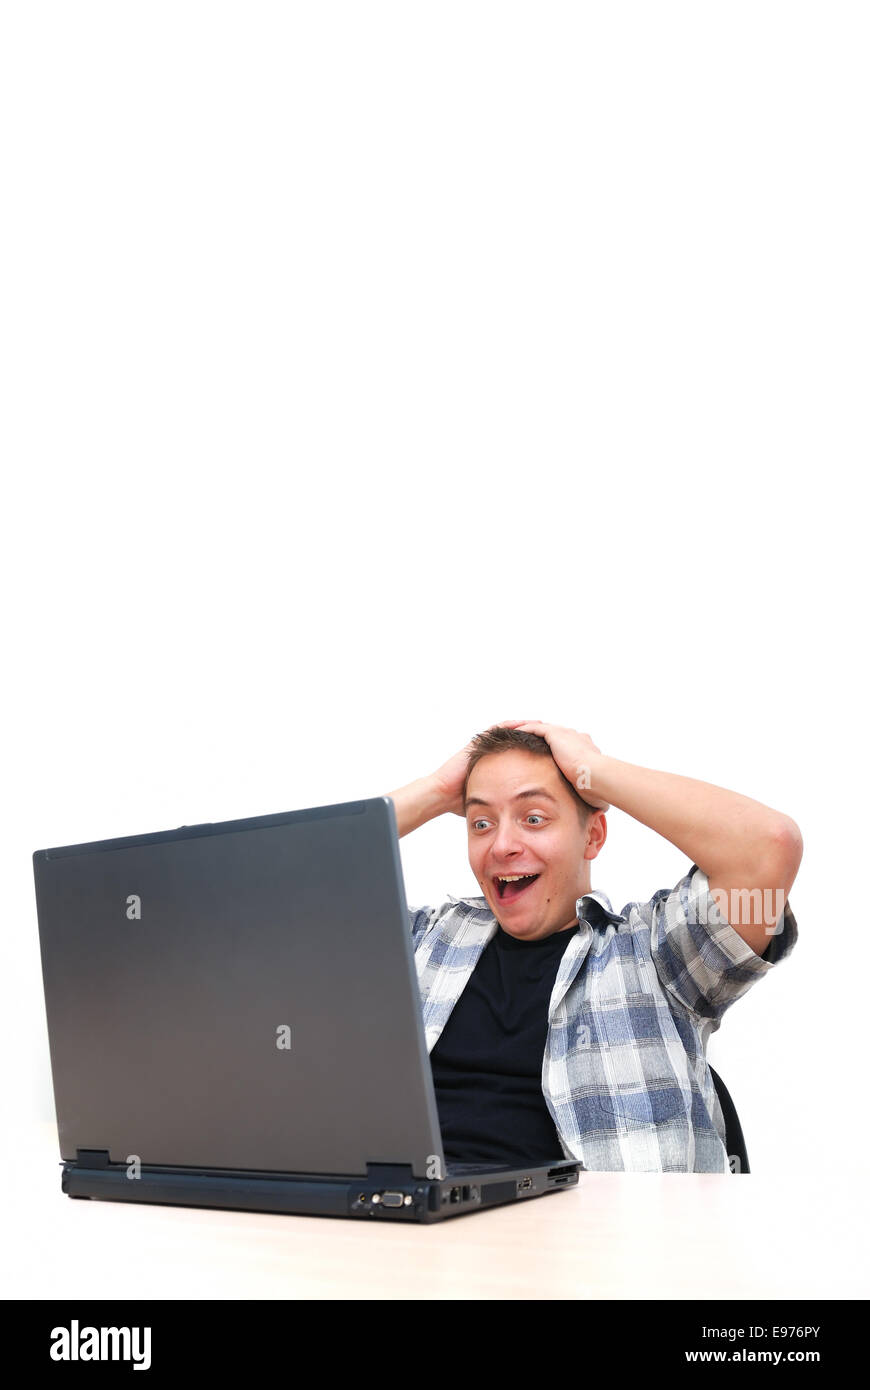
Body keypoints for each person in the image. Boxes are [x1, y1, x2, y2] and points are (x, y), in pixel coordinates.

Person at [386, 720, 801, 1173]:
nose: (502, 845)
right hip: (416, 1228)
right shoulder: (424, 943)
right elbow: (298, 886)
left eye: (534, 818)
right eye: (480, 822)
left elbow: (768, 846)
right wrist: (434, 790)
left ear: (593, 837)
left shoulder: (659, 952)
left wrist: (593, 771)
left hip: (600, 1236)